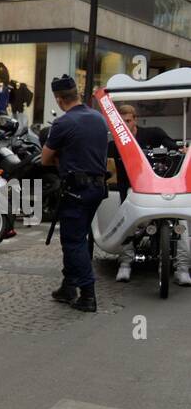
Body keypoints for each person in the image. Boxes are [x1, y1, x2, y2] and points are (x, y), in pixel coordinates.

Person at [42, 74, 109, 312]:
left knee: (73, 241)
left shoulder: (63, 123)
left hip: (76, 190)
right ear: (77, 95)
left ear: (59, 100)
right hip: (98, 188)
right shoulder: (99, 119)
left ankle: (88, 295)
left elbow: (45, 158)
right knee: (77, 236)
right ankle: (68, 286)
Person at [107, 104, 190, 285]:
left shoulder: (153, 133)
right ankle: (125, 264)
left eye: (128, 120)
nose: (126, 125)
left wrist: (181, 151)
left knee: (181, 223)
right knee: (127, 223)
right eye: (122, 122)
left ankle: (182, 268)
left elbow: (173, 147)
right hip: (130, 192)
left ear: (135, 119)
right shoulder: (114, 145)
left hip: (161, 189)